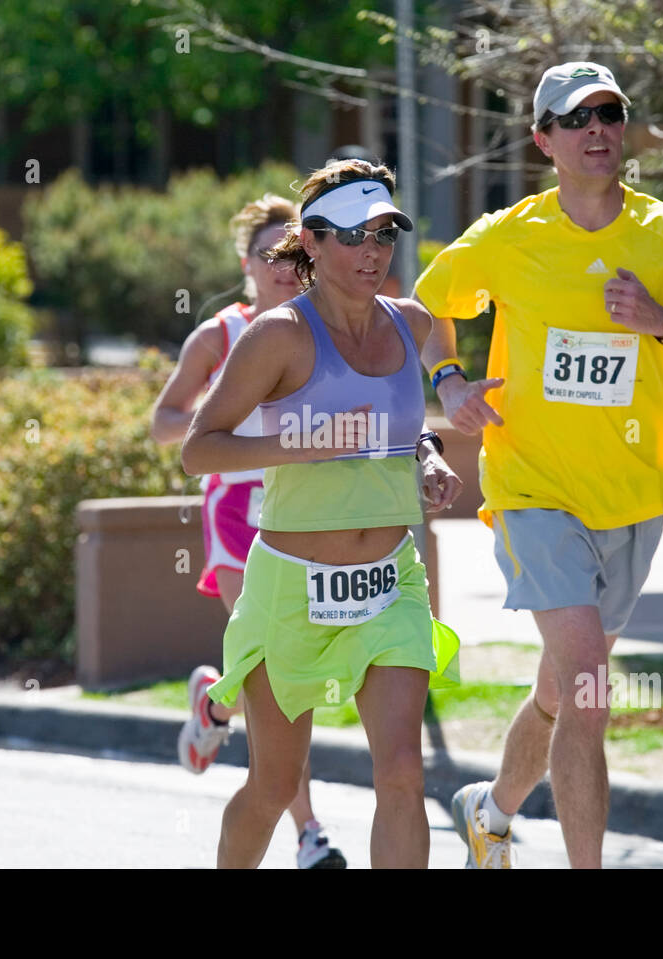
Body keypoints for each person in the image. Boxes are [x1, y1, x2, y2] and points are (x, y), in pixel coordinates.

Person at [414, 61, 663, 868]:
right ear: (544, 139)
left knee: (561, 691)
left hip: (632, 500)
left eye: (610, 112)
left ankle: (489, 810)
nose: (597, 128)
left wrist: (662, 322)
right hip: (532, 490)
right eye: (577, 118)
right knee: (594, 692)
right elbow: (428, 308)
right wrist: (449, 380)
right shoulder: (508, 236)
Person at [182, 158, 463, 869]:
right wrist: (299, 445)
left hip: (389, 584)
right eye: (352, 237)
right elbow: (198, 450)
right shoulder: (277, 335)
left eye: (383, 235)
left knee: (403, 772)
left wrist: (427, 455)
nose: (372, 253)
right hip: (292, 589)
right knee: (274, 784)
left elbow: (409, 417)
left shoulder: (412, 322)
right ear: (309, 241)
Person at [151, 194, 346, 869]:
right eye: (271, 255)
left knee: (283, 667)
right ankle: (309, 832)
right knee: (279, 673)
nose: (284, 268)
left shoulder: (324, 327)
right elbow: (164, 422)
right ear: (247, 264)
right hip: (237, 513)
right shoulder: (220, 334)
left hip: (306, 512)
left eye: (295, 254)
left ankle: (214, 701)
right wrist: (219, 410)